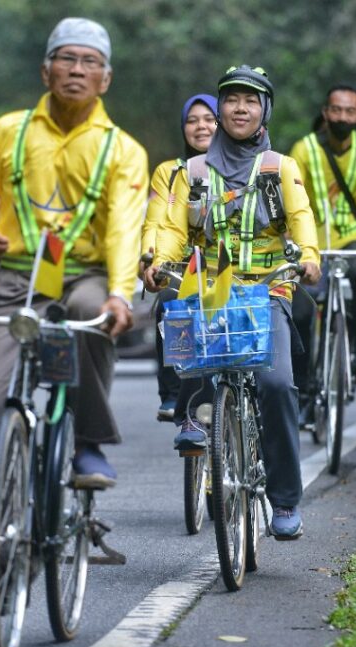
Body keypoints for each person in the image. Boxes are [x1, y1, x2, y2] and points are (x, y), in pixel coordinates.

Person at [0, 17, 148, 627]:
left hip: (85, 274)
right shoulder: (7, 132)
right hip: (15, 278)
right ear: (45, 70)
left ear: (106, 78)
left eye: (88, 62)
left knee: (91, 315)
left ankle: (87, 440)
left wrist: (121, 293)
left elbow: (123, 228)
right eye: (65, 59)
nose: (75, 70)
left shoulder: (122, 150)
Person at [143, 65, 321, 540]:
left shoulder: (280, 168)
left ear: (265, 111)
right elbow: (174, 230)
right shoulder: (193, 172)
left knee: (278, 384)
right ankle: (195, 418)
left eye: (251, 100)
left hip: (268, 292)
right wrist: (160, 262)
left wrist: (309, 256)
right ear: (219, 110)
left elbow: (301, 219)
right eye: (231, 100)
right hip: (211, 292)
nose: (240, 108)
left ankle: (284, 500)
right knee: (185, 337)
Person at [289, 85, 356, 410]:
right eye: (336, 110)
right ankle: (303, 389)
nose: (342, 117)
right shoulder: (303, 149)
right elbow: (290, 199)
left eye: (350, 111)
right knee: (302, 308)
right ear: (325, 112)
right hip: (310, 239)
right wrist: (292, 242)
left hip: (350, 236)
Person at [141, 93, 219, 422]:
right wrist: (151, 259)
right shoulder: (169, 172)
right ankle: (173, 393)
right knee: (170, 302)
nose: (201, 126)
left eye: (209, 119)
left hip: (232, 267)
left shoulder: (243, 166)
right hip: (183, 267)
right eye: (192, 120)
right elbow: (155, 222)